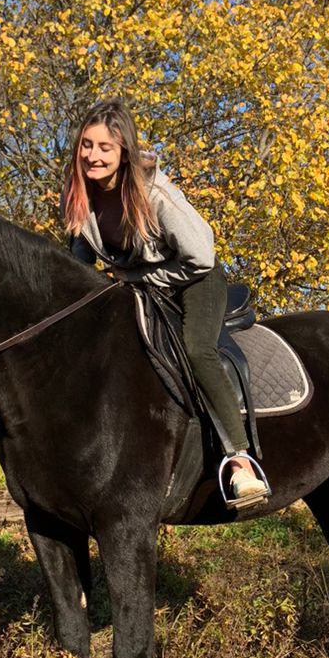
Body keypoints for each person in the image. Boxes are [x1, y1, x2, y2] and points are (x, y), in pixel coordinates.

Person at [62, 98, 270, 507]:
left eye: (105, 148)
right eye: (87, 145)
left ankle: (240, 461)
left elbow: (201, 255)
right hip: (141, 286)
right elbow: (78, 266)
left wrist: (138, 278)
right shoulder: (78, 194)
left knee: (197, 349)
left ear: (124, 151)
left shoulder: (155, 193)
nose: (92, 156)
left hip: (193, 279)